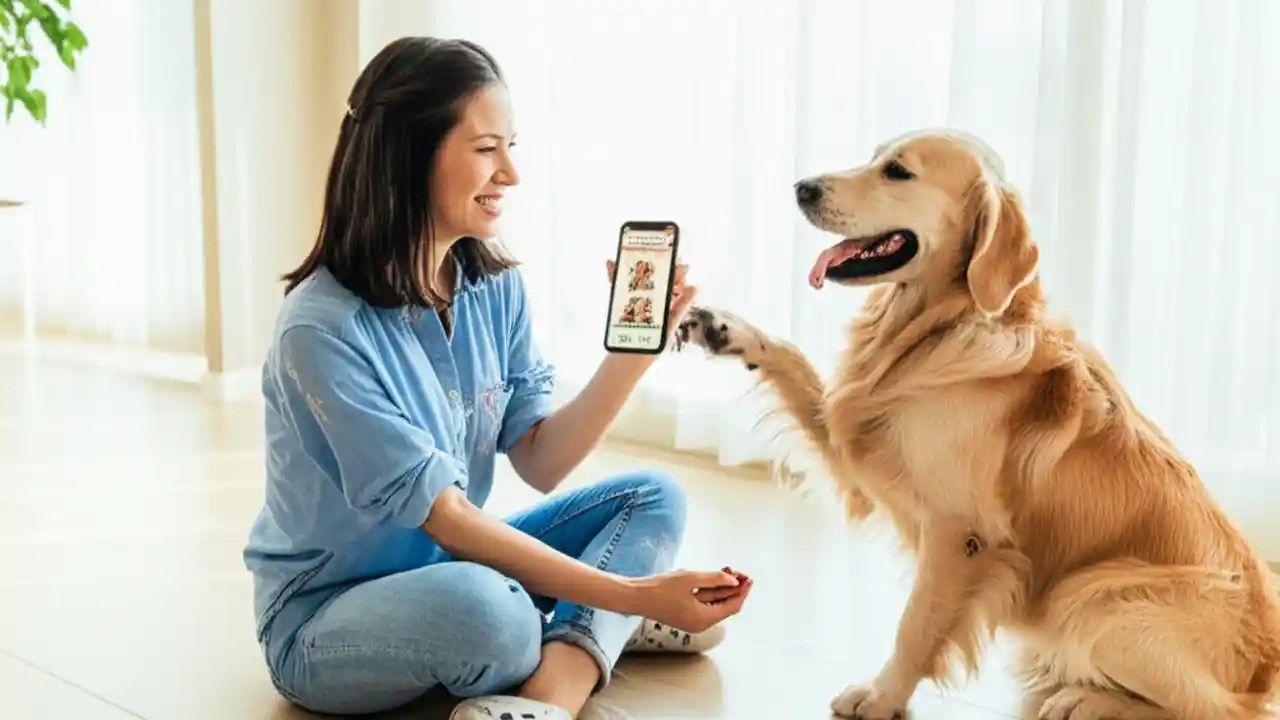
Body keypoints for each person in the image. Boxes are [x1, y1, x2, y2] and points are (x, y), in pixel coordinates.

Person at [242, 36, 753, 720]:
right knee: (496, 616)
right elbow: (450, 521)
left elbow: (542, 462)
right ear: (409, 154)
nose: (510, 173)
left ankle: (548, 696)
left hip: (451, 567)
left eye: (511, 147)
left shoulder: (492, 286)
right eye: (487, 149)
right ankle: (596, 630)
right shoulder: (321, 330)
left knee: (654, 496)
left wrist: (635, 354)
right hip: (324, 618)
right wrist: (633, 594)